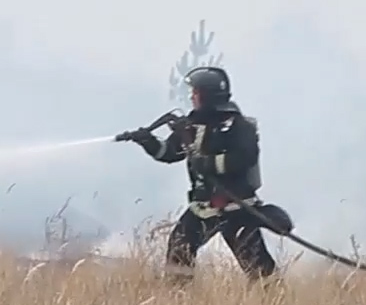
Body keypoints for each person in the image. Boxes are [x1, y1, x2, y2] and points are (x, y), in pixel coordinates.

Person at [116, 66, 278, 282]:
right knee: (179, 249)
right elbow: (170, 153)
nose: (192, 97)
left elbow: (243, 158)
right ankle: (177, 301)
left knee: (258, 267)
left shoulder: (239, 126)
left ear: (208, 95)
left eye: (196, 92)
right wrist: (148, 142)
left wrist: (207, 163)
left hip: (237, 207)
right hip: (203, 209)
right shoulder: (192, 125)